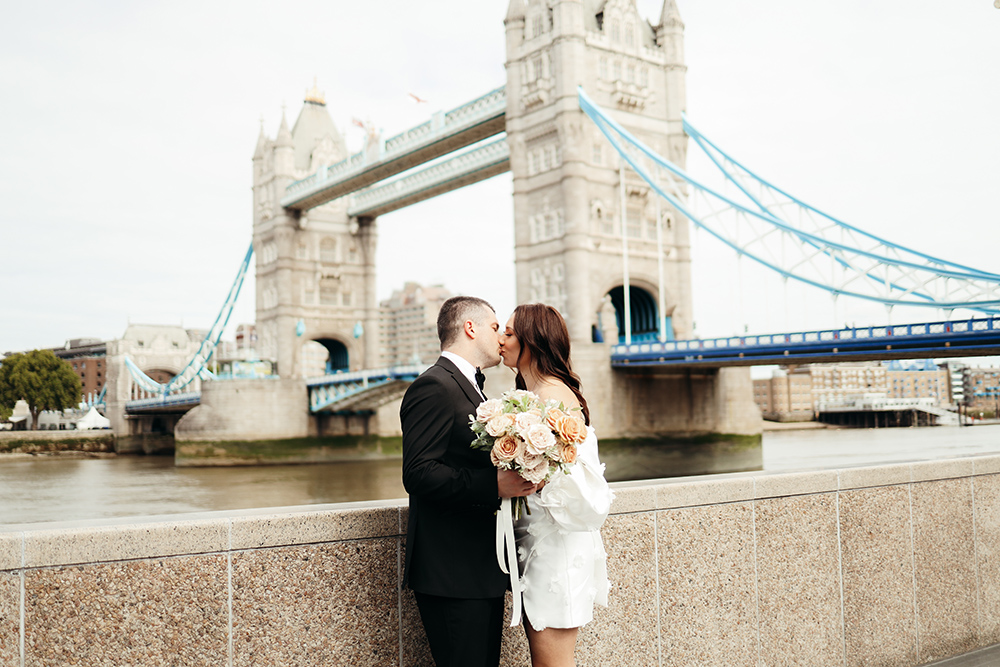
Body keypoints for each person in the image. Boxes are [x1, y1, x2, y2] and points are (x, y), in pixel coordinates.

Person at [401, 295, 539, 667]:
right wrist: (493, 485)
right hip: (452, 573)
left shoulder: (473, 388)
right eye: (495, 327)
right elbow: (417, 473)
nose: (501, 337)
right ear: (470, 328)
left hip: (479, 569)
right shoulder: (434, 386)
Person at [499, 303, 613, 667]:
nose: (500, 340)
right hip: (535, 543)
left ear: (532, 340)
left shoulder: (553, 394)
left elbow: (575, 477)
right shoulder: (535, 393)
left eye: (509, 333)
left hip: (555, 547)